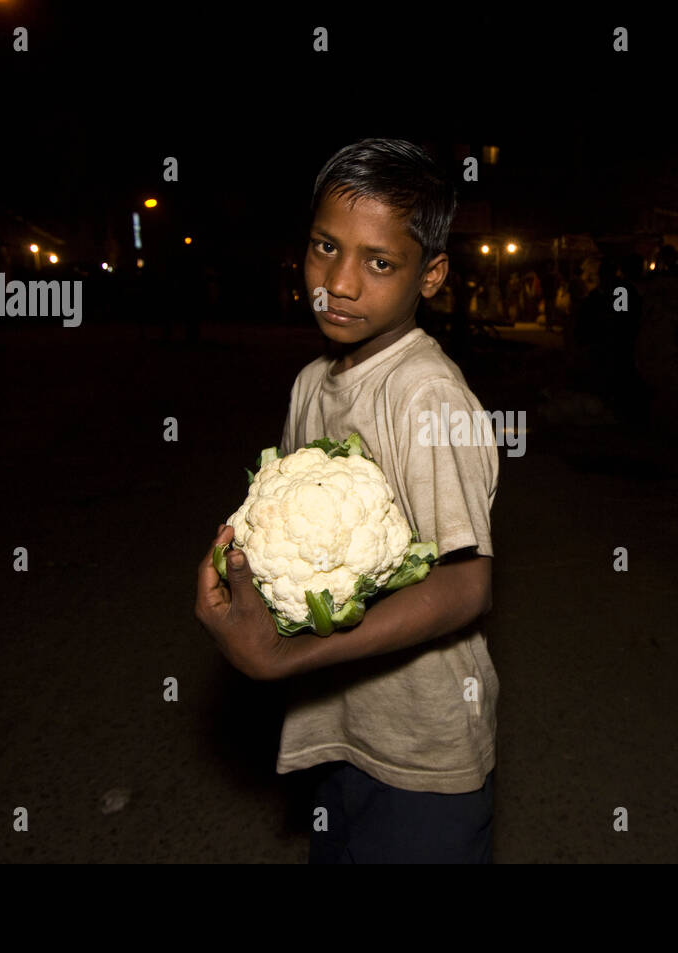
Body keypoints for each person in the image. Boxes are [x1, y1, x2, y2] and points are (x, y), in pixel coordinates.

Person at [194, 139, 498, 863]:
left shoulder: (426, 396)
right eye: (325, 247)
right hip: (340, 727)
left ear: (433, 275)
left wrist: (282, 657)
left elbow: (465, 584)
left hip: (423, 749)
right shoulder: (311, 381)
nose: (339, 282)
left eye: (380, 262)